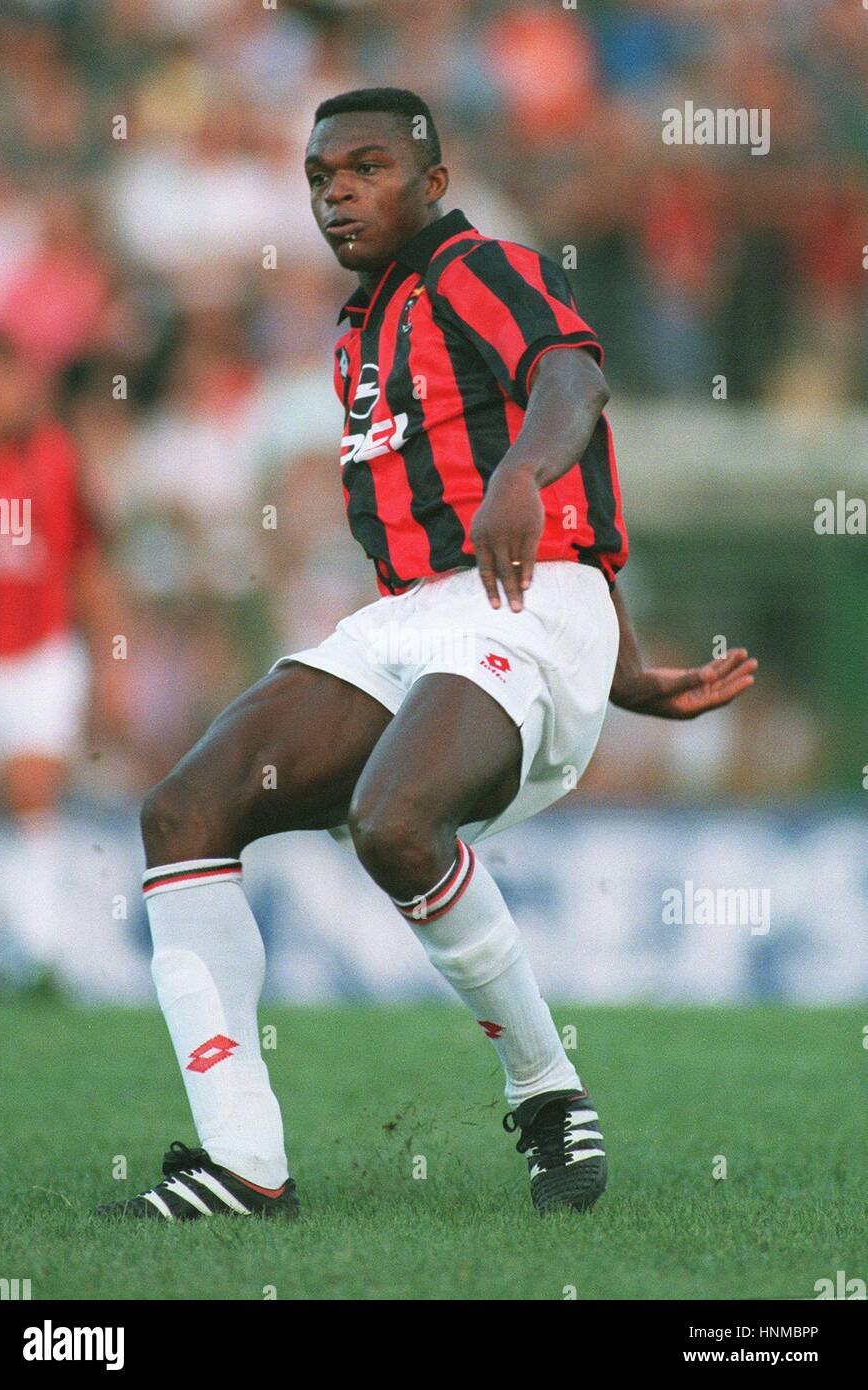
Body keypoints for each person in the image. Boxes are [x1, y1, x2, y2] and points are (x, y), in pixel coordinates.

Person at [98, 89, 756, 1221]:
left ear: (433, 183)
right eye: (320, 177)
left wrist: (520, 481)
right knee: (182, 811)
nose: (338, 192)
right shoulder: (357, 328)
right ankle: (245, 1166)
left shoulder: (481, 268)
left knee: (394, 819)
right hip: (413, 614)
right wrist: (632, 673)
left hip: (528, 600)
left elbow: (573, 385)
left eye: (365, 168)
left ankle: (548, 1091)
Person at [0, 331, 125, 989]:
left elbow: (89, 563)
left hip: (38, 652)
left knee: (34, 794)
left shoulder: (55, 458)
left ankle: (37, 955)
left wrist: (114, 664)